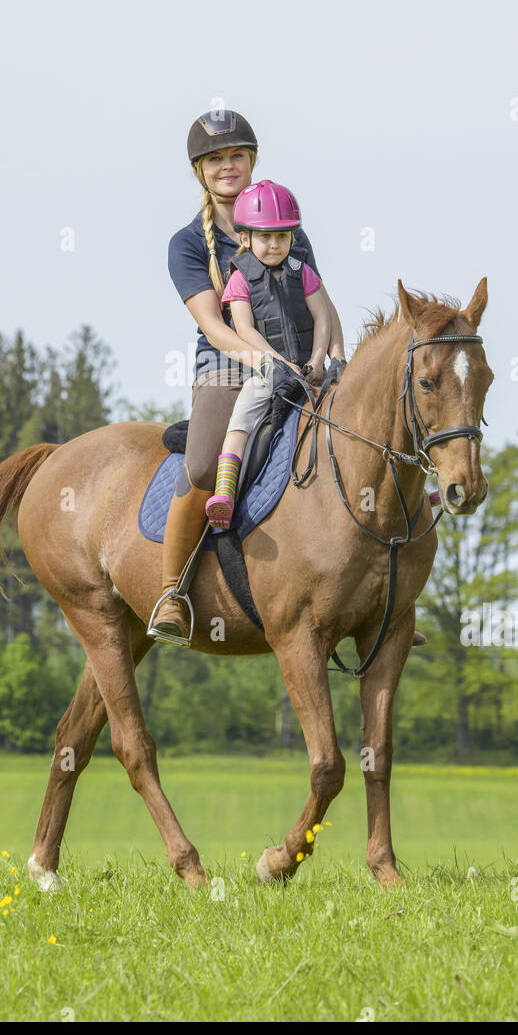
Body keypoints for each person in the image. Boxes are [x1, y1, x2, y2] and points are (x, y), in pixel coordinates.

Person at [148, 109, 346, 644]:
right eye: (215, 160)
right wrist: (263, 362)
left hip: (304, 362)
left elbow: (321, 302)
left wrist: (330, 355)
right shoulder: (188, 244)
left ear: (252, 160)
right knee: (203, 462)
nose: (228, 167)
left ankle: (380, 594)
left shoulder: (286, 228)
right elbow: (214, 326)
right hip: (228, 366)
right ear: (200, 172)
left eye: (237, 156)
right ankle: (172, 592)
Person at [205, 180, 330, 529]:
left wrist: (319, 359)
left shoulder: (302, 271)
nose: (275, 245)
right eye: (265, 237)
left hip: (310, 369)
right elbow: (244, 330)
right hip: (268, 372)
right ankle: (225, 493)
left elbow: (322, 316)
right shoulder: (240, 280)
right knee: (241, 419)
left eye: (283, 237)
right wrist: (278, 362)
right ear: (245, 238)